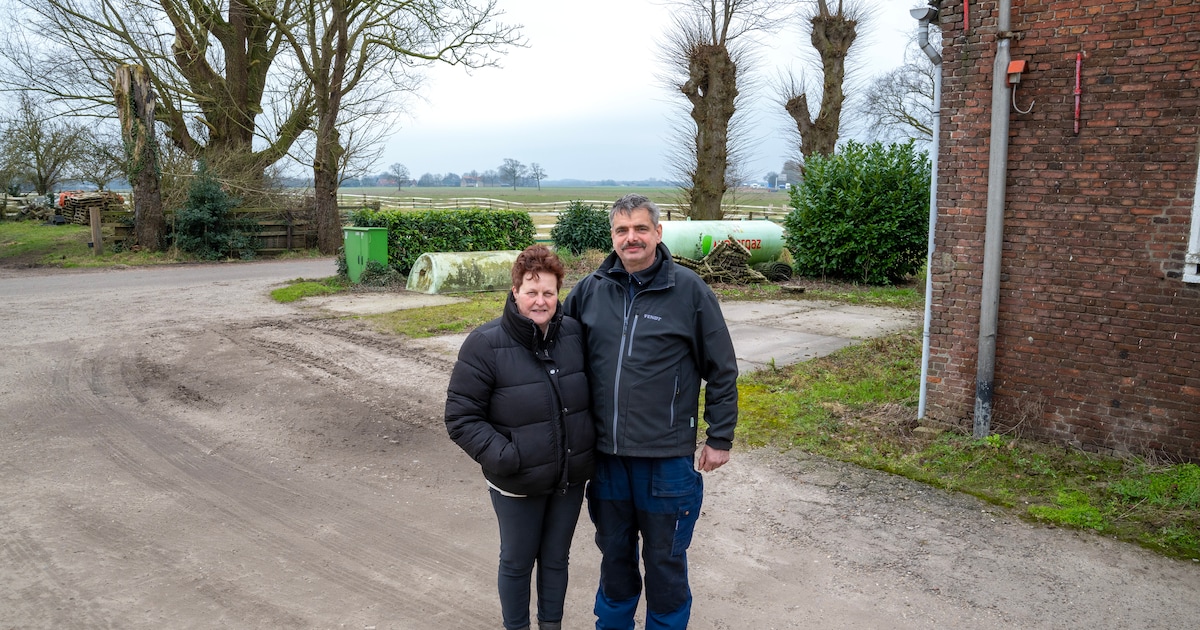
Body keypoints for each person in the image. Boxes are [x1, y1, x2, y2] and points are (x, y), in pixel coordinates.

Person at [562, 194, 739, 629]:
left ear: (658, 233)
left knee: (665, 563)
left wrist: (720, 437)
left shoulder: (690, 292)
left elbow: (722, 368)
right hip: (606, 458)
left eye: (641, 229)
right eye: (622, 230)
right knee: (615, 559)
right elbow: (558, 356)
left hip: (667, 460)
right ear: (612, 237)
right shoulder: (589, 291)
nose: (631, 238)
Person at [445, 245, 596, 630]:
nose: (540, 301)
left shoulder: (575, 335)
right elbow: (461, 417)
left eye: (548, 292)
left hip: (567, 477)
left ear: (559, 292)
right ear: (515, 291)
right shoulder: (485, 344)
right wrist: (507, 457)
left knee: (555, 560)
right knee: (516, 561)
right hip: (517, 481)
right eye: (531, 292)